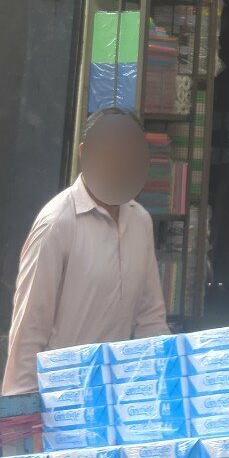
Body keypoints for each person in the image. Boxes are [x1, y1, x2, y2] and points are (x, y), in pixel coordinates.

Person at [2, 107, 169, 395]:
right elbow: (29, 328)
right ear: (85, 153)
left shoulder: (140, 221)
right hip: (62, 398)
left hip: (115, 395)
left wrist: (164, 385)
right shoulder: (58, 223)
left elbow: (150, 318)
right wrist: (24, 419)